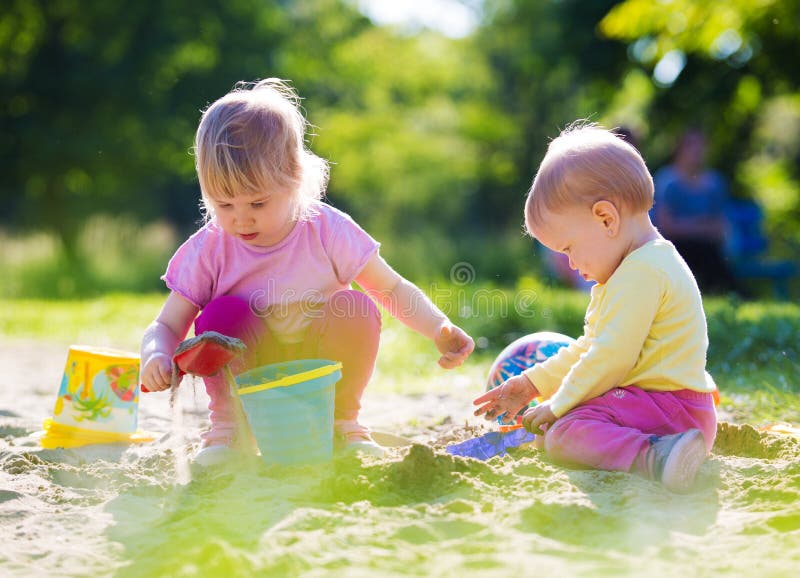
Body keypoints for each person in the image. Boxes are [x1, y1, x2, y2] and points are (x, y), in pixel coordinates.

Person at [140, 78, 474, 464]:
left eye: (258, 203)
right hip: (250, 374)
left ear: (294, 178)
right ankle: (231, 429)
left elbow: (392, 288)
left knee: (357, 307)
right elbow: (166, 324)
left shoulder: (327, 229)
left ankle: (341, 423)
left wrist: (438, 327)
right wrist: (156, 354)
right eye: (224, 204)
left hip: (321, 369)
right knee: (219, 315)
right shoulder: (211, 247)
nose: (241, 219)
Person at [473, 123, 718, 493]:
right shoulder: (631, 269)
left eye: (569, 248)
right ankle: (662, 450)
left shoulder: (643, 272)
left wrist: (556, 406)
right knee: (560, 428)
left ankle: (658, 457)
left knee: (564, 432)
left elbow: (611, 358)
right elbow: (589, 348)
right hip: (665, 408)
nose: (571, 264)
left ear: (606, 218)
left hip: (671, 411)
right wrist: (532, 383)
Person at [652, 129, 742, 295]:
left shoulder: (714, 182)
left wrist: (689, 226)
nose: (697, 151)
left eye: (701, 146)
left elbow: (721, 227)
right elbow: (666, 226)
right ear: (679, 149)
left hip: (707, 247)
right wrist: (701, 226)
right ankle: (731, 293)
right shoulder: (667, 181)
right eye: (691, 146)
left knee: (708, 252)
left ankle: (727, 293)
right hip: (677, 247)